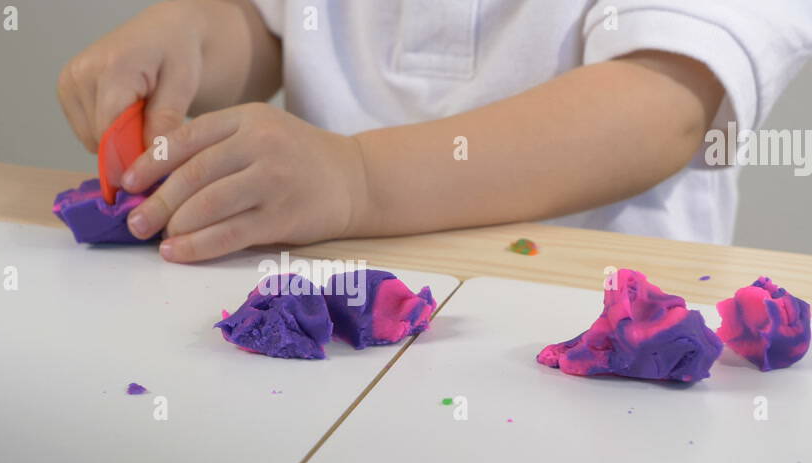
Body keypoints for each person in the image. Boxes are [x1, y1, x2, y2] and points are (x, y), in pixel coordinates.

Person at [57, 0, 812, 262]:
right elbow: (277, 26)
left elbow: (661, 105)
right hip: (328, 306)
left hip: (590, 340)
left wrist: (358, 179)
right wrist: (193, 34)